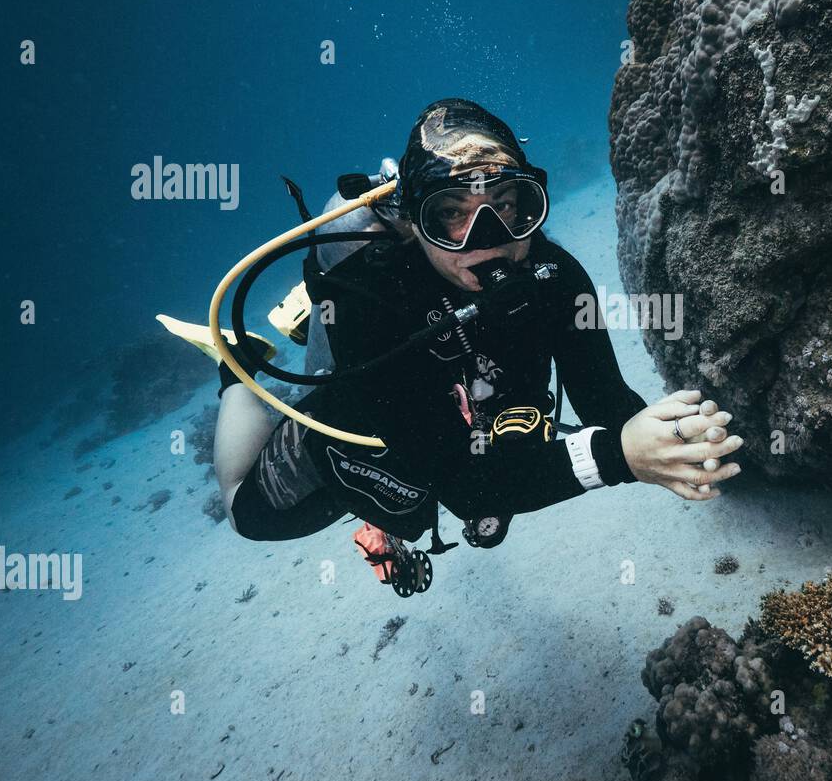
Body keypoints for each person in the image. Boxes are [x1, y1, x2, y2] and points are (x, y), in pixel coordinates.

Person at [161, 98, 741, 594]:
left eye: (508, 206)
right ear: (415, 223)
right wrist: (621, 457)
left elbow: (601, 395)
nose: (487, 240)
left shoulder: (554, 275)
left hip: (463, 426)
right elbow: (461, 485)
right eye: (452, 217)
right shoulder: (375, 300)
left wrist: (660, 434)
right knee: (246, 514)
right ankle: (235, 363)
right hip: (367, 440)